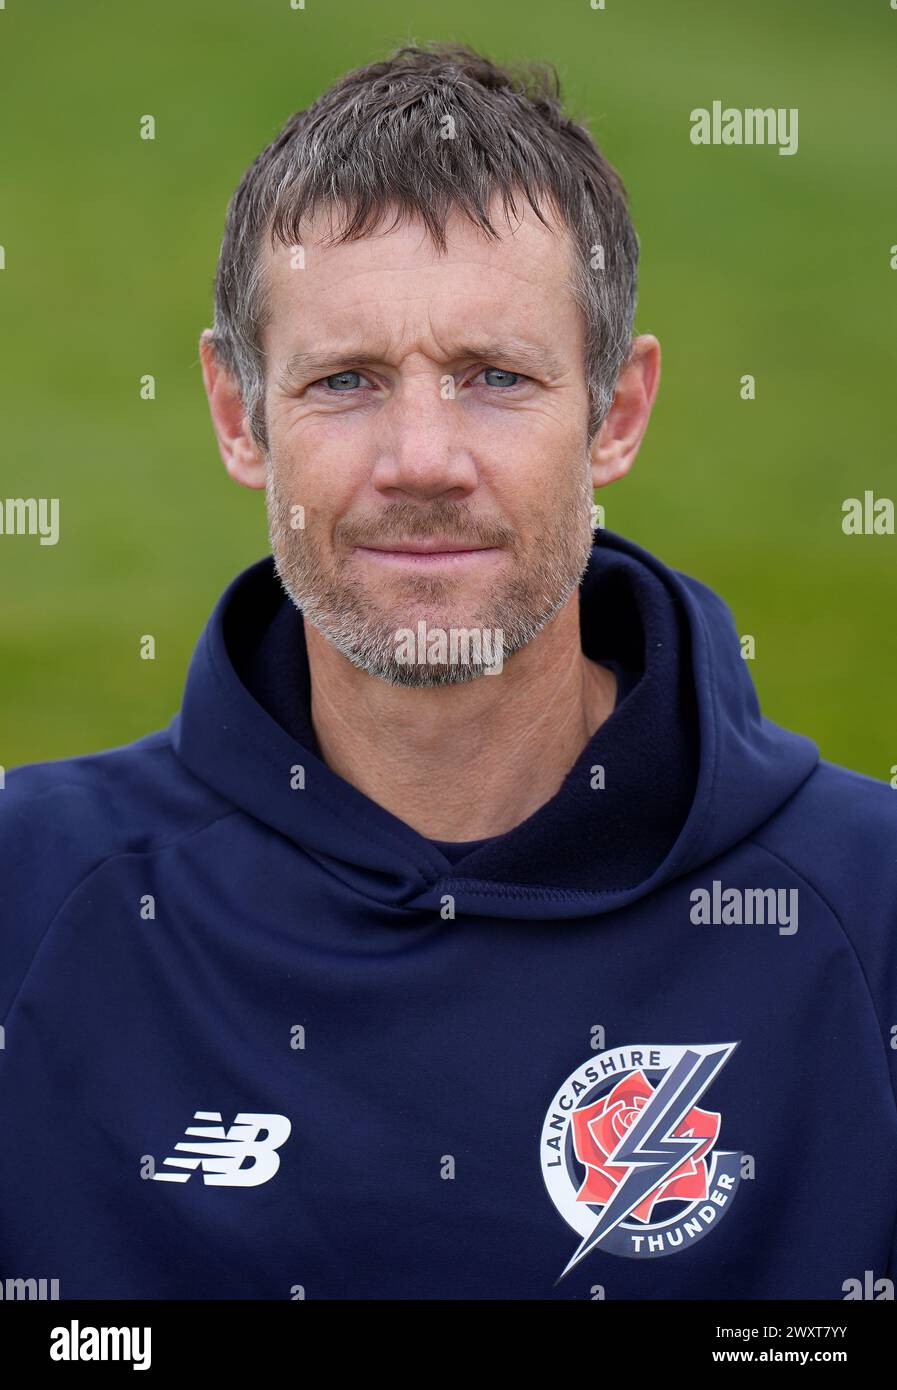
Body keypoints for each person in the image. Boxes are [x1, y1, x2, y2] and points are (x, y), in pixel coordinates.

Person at [1, 42, 895, 1301]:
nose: (423, 460)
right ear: (238, 414)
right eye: (348, 381)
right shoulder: (27, 900)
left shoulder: (871, 910)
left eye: (496, 378)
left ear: (617, 411)